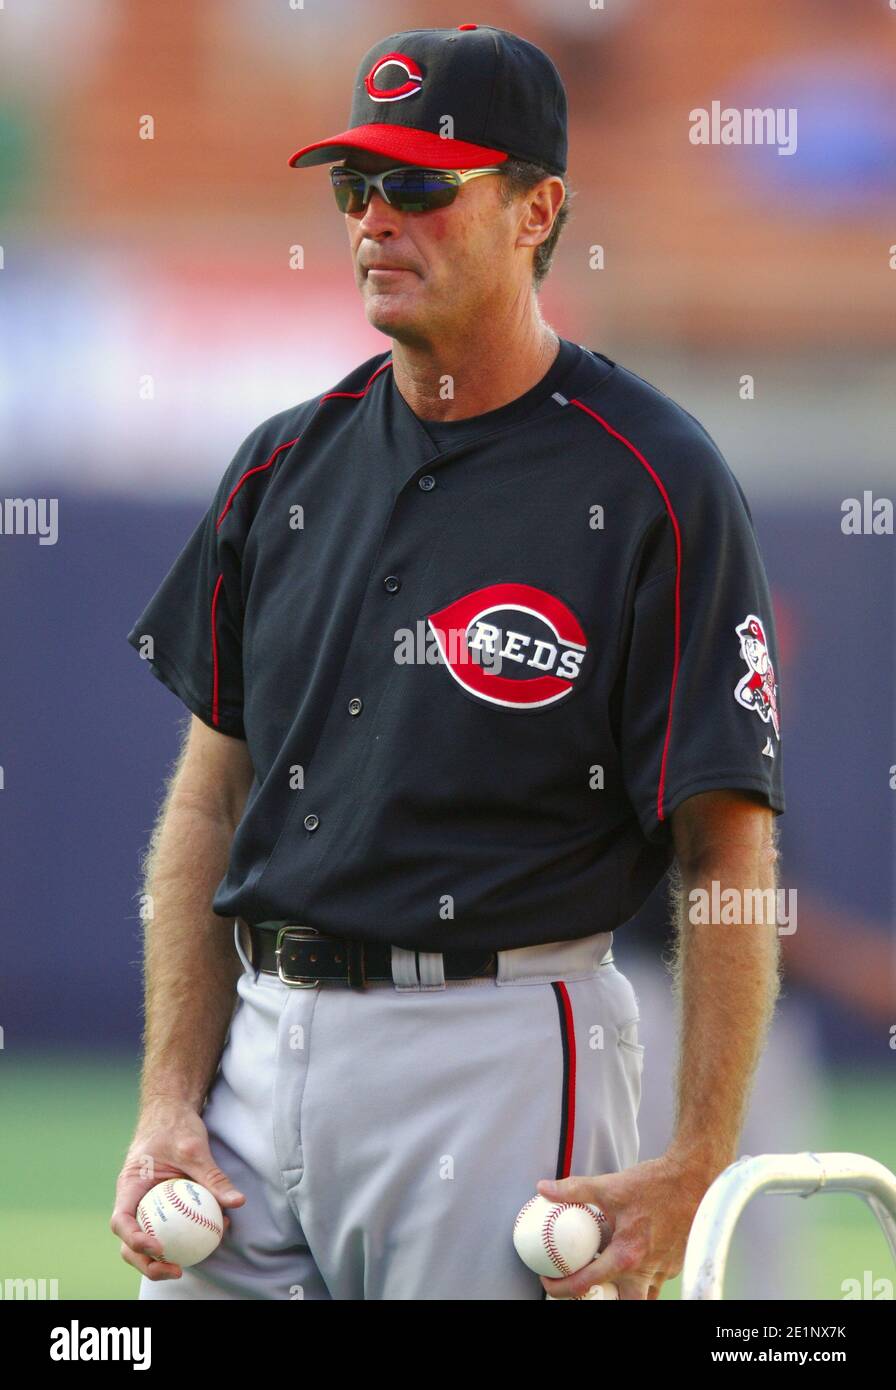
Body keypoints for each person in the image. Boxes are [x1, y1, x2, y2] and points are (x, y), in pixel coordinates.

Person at [112, 24, 785, 1301]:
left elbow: (724, 846)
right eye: (354, 188)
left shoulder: (651, 475)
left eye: (421, 185)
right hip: (262, 1049)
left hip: (499, 1053)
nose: (376, 219)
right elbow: (209, 798)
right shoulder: (280, 466)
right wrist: (166, 1099)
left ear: (536, 208)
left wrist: (698, 1157)